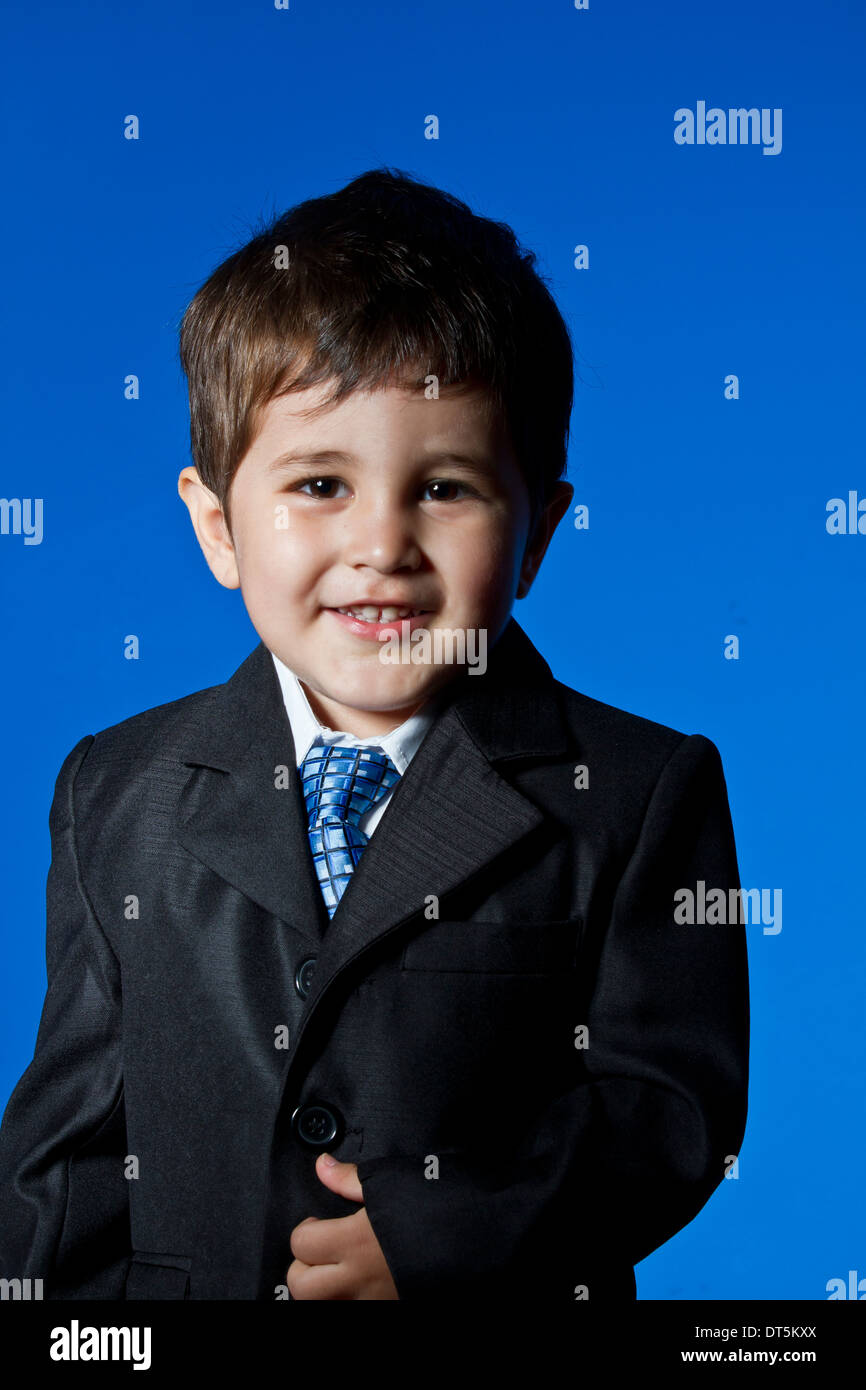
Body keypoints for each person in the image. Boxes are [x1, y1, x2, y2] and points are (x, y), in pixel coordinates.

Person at [0, 167, 749, 1301]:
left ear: (537, 528)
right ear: (218, 527)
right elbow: (68, 1147)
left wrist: (447, 1231)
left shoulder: (639, 792)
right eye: (317, 483)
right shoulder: (119, 790)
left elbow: (667, 1112)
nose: (382, 543)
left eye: (444, 488)